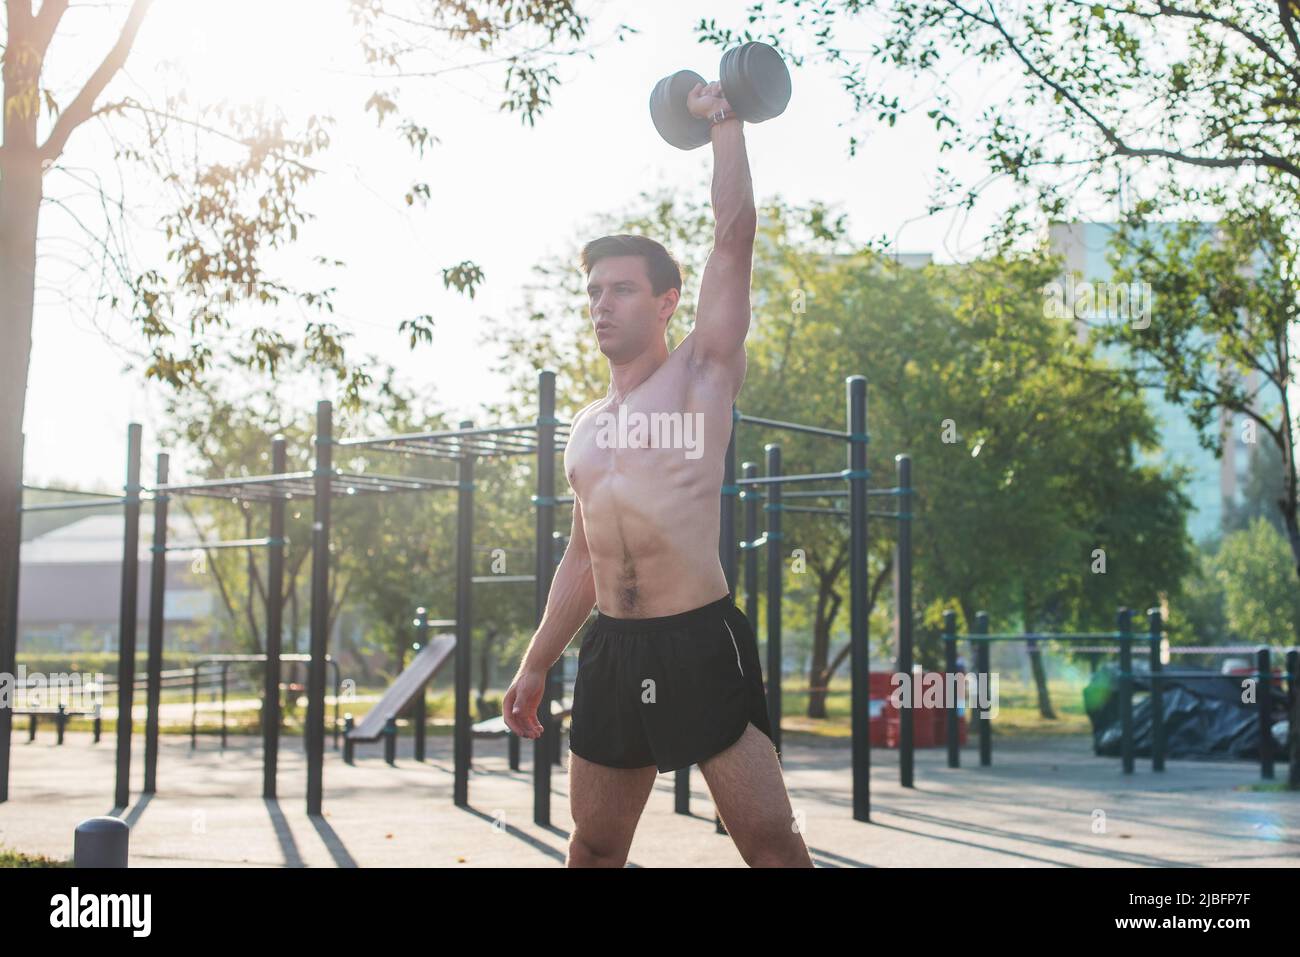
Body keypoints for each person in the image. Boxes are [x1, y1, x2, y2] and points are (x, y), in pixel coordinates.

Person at [503, 81, 812, 868]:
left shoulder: (702, 375)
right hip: (612, 651)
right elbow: (582, 558)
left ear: (668, 300)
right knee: (594, 844)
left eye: (621, 289)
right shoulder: (585, 429)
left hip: (698, 639)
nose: (601, 305)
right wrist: (536, 661)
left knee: (770, 843)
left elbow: (733, 238)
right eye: (593, 292)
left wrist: (723, 121)